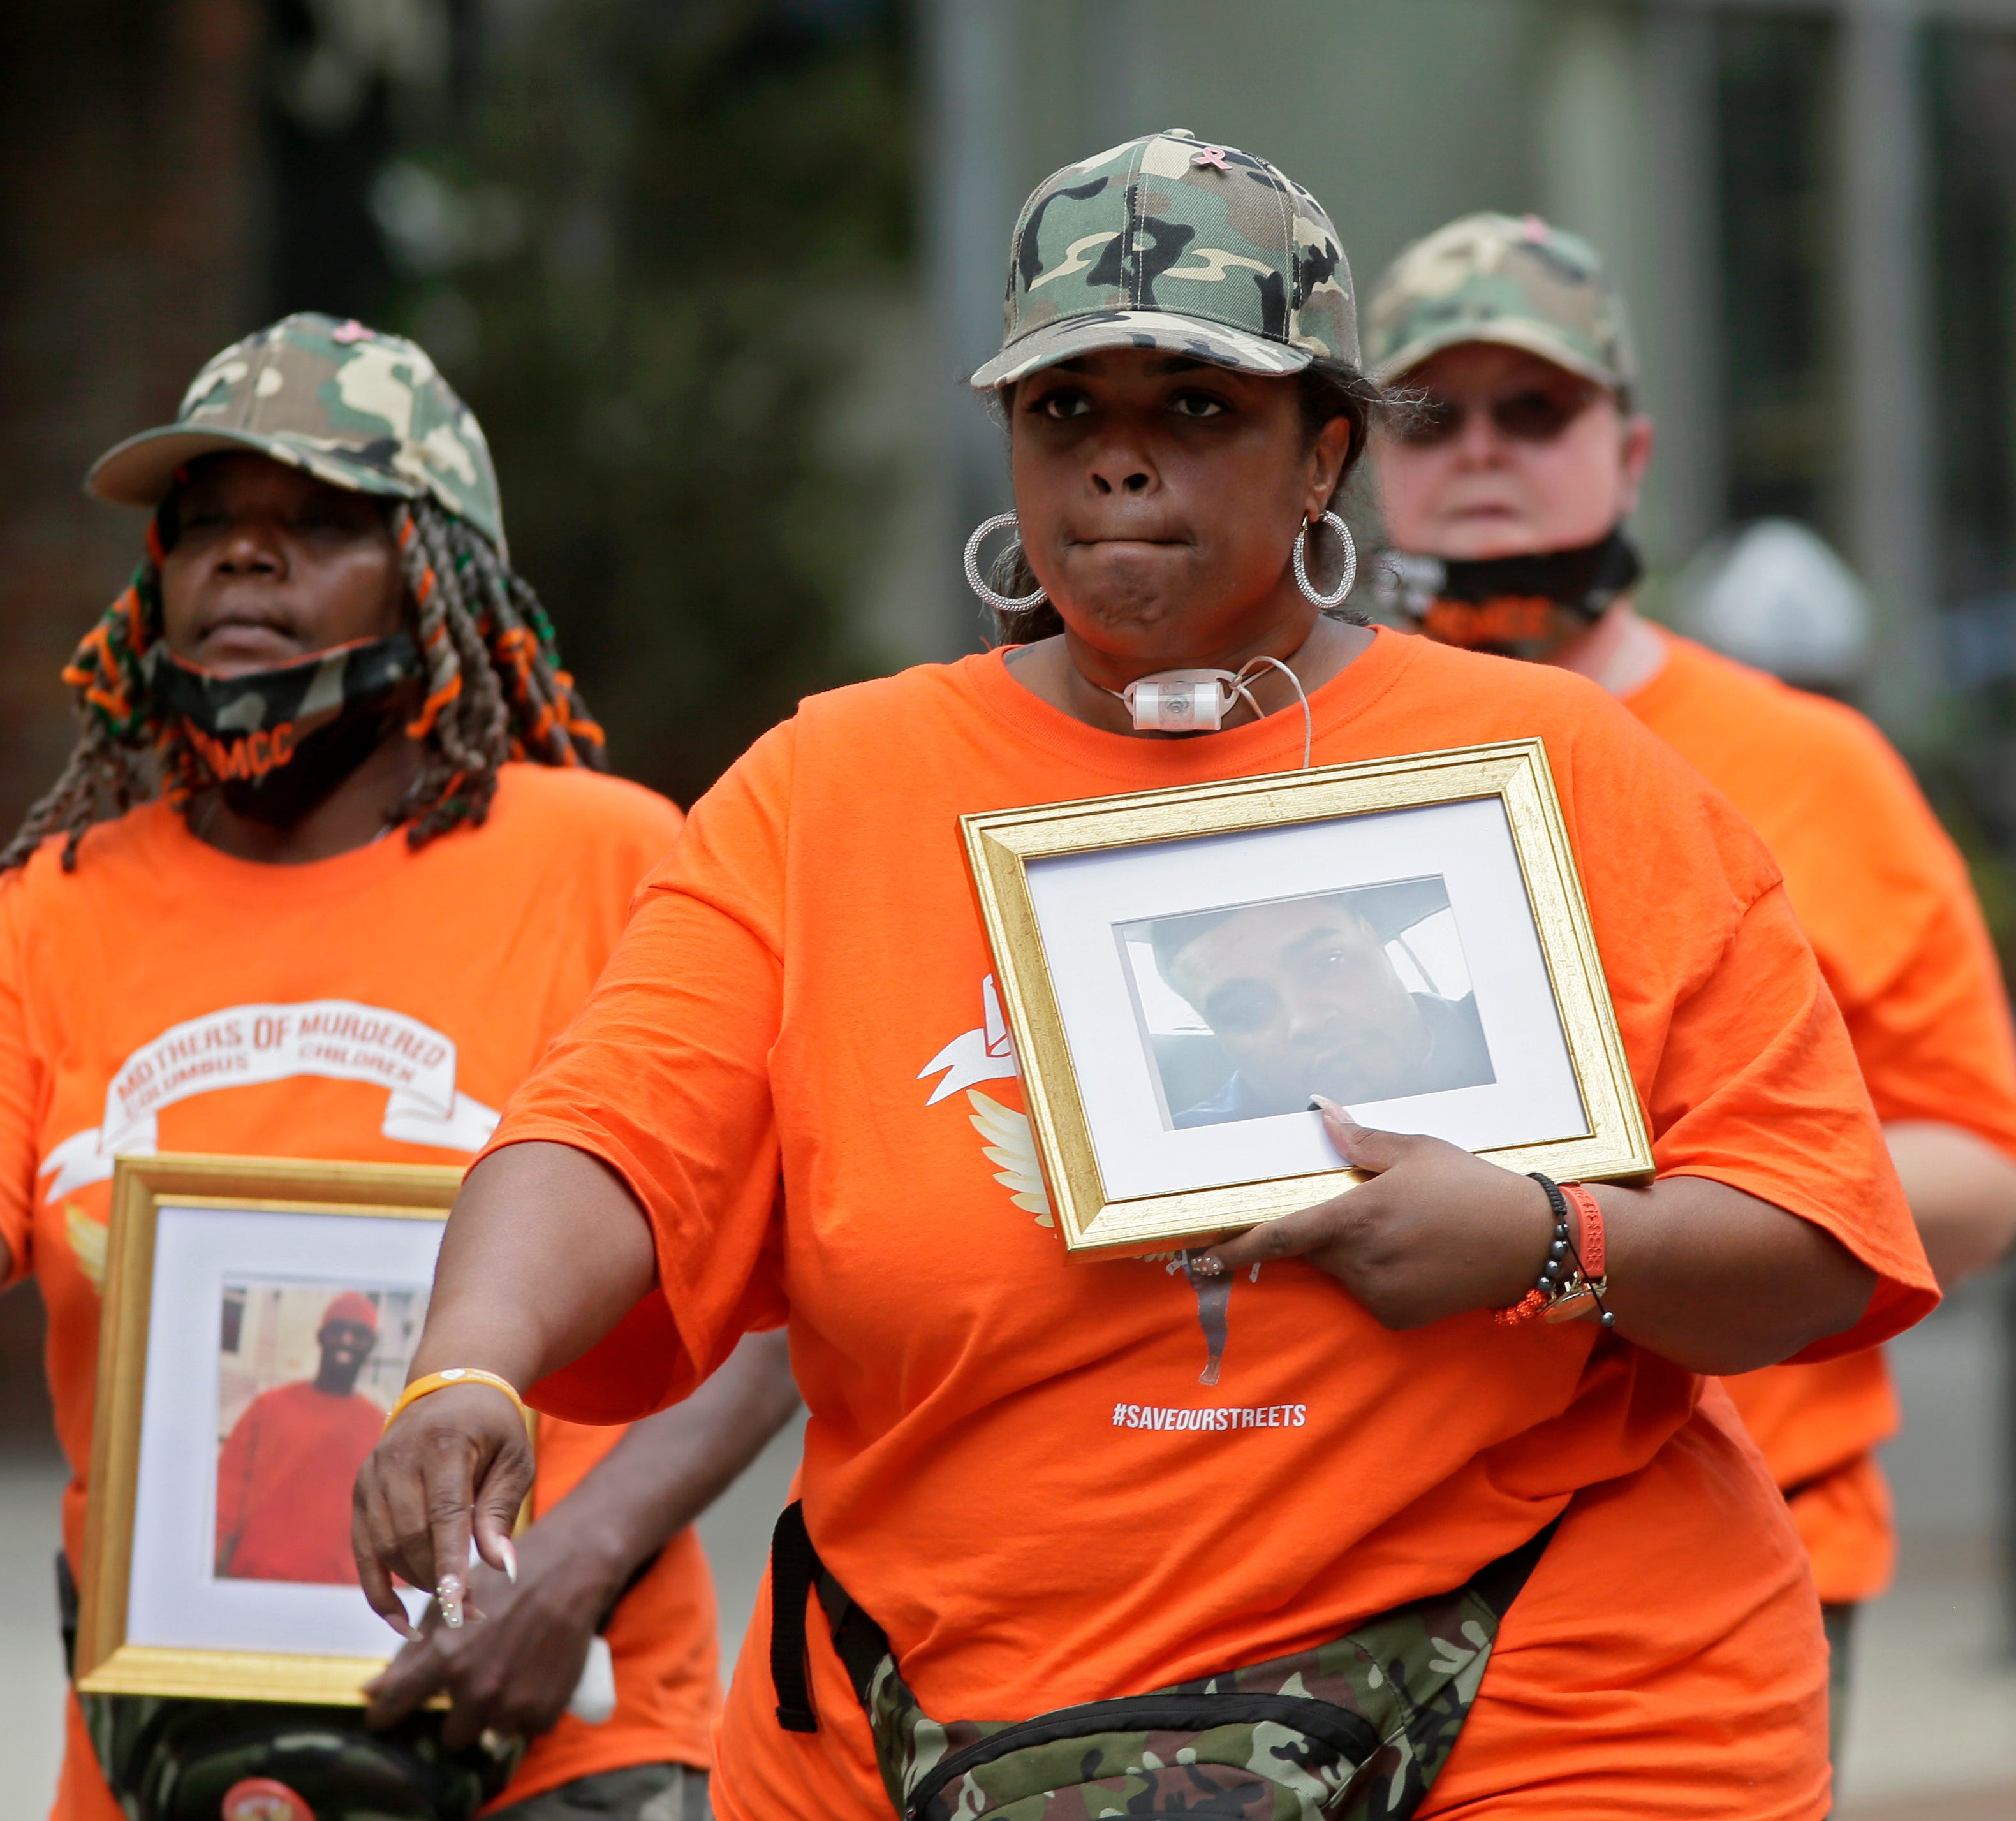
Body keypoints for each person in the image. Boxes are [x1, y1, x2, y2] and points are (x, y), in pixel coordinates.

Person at [353, 133, 1935, 1819]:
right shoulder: (829, 793)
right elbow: (613, 1132)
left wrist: (1548, 1244)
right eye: (1065, 411)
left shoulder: (1561, 768)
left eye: (1196, 407)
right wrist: (470, 1362)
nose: (1120, 461)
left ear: (1326, 453)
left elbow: (1815, 1245)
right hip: (941, 1708)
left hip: (1546, 1693)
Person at [0, 314, 798, 1821]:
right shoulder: (49, 911)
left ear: (437, 572)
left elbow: (795, 1275)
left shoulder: (617, 865)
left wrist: (579, 1560)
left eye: (319, 521)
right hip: (167, 1763)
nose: (245, 557)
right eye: (207, 526)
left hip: (564, 1746)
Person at [1365, 211, 2016, 1755]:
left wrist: (1633, 1215)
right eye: (1431, 414)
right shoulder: (1297, 761)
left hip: (1732, 1534)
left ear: (1633, 451)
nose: (1483, 450)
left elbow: (1981, 1169)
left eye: (1537, 409)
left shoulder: (1810, 767)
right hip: (1366, 1545)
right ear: (1360, 456)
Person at [1151, 883, 1493, 1123]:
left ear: (1372, 939)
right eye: (1245, 1011)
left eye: (1327, 963)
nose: (1306, 1021)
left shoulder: (1512, 1037)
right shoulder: (1190, 1155)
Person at [216, 1291, 386, 1584]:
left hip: (341, 1590)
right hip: (260, 1580)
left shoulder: (379, 1426)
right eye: (338, 1330)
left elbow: (387, 1517)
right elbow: (225, 1492)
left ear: (370, 1346)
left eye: (359, 1335)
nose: (346, 1340)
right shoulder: (269, 1408)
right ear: (321, 1337)